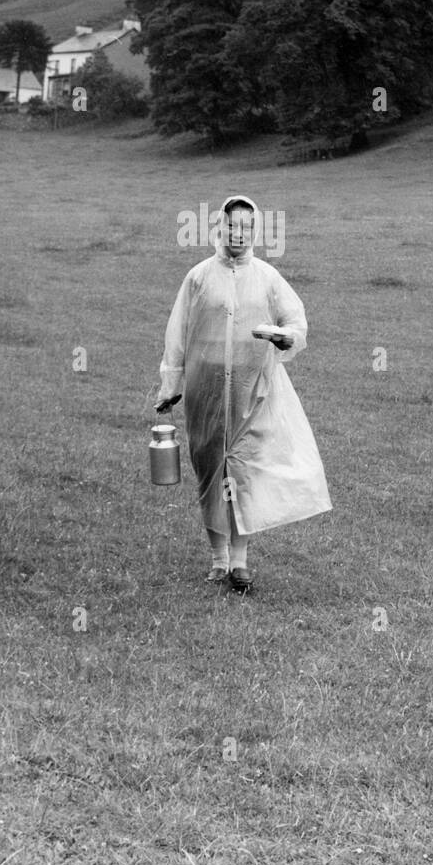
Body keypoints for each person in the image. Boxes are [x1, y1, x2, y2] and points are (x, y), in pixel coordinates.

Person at [155, 194, 332, 594]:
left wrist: (283, 338)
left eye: (245, 227)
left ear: (255, 231)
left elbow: (296, 324)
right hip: (206, 392)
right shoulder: (198, 277)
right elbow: (177, 334)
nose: (237, 234)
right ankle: (218, 558)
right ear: (220, 227)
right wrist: (172, 384)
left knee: (243, 471)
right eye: (231, 226)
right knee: (211, 468)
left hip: (252, 392)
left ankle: (240, 561)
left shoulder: (268, 278)